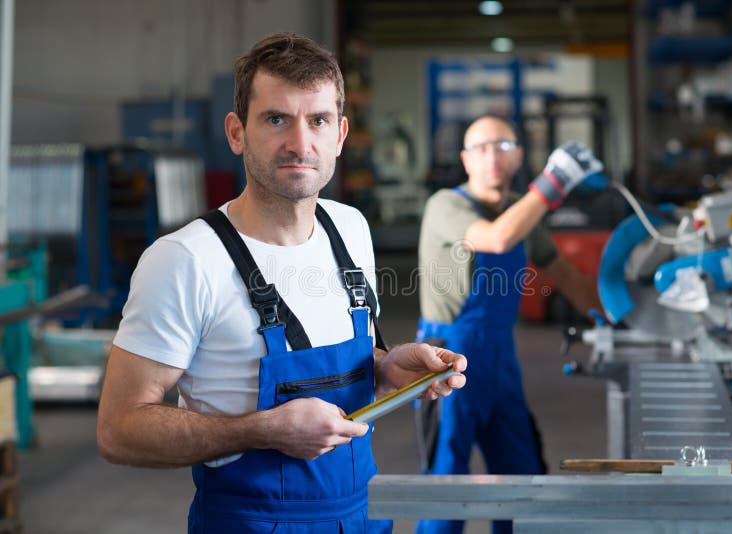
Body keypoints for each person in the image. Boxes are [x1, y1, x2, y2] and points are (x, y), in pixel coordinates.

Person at [96, 32, 467, 533]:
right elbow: (119, 430)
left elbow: (347, 359)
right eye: (276, 119)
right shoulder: (185, 260)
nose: (300, 143)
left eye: (318, 120)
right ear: (236, 132)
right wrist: (264, 430)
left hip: (361, 518)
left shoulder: (350, 230)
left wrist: (388, 367)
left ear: (340, 135)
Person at [415, 115, 603, 534]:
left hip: (500, 363)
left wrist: (612, 320)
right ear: (465, 159)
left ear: (519, 155)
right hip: (445, 361)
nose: (492, 157)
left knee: (522, 480)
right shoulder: (446, 205)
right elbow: (497, 237)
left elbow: (565, 275)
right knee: (446, 484)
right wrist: (554, 183)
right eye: (481, 148)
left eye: (502, 146)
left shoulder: (522, 210)